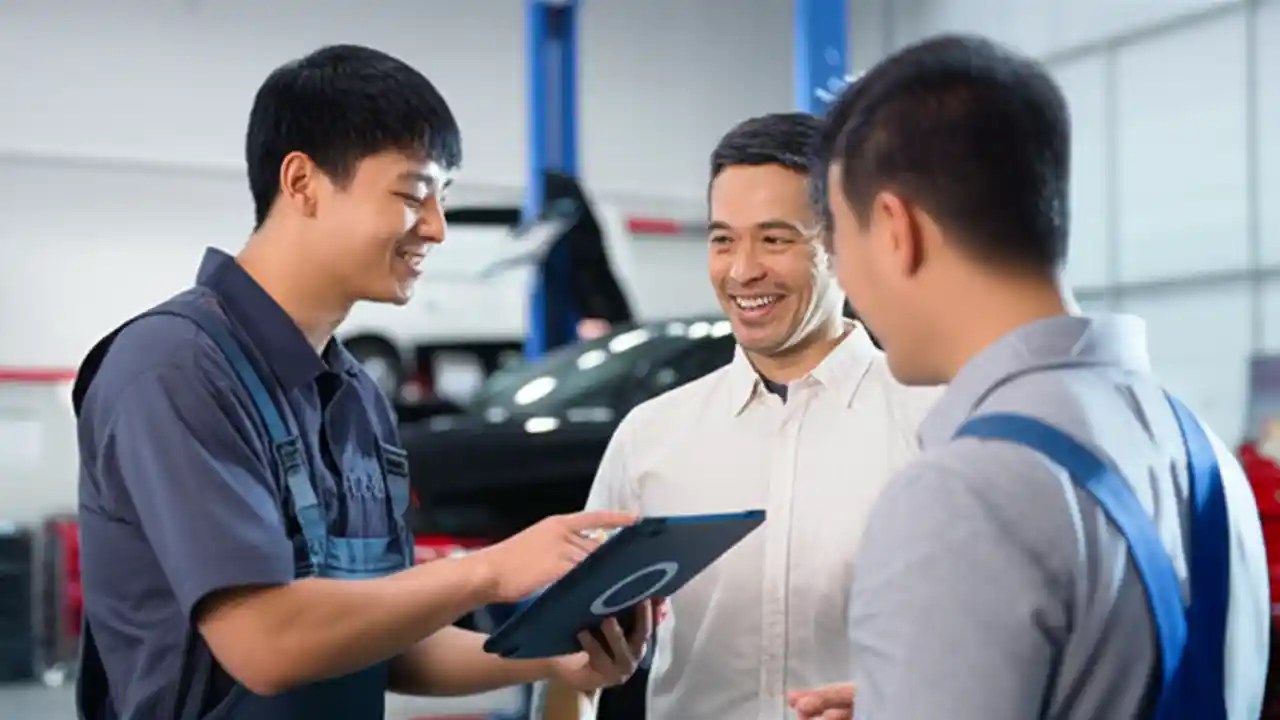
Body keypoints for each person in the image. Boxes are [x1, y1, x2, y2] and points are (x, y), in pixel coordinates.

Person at [71, 44, 652, 720]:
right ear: (303, 183)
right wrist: (489, 571)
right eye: (412, 195)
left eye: (442, 199)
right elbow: (266, 643)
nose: (436, 228)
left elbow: (387, 642)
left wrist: (549, 655)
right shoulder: (175, 369)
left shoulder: (356, 400)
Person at [805, 34, 1270, 719]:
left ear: (896, 228)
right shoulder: (1197, 447)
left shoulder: (962, 495)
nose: (844, 280)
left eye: (838, 243)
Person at [581, 112, 940, 719]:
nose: (742, 270)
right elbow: (576, 656)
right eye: (723, 240)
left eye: (775, 239)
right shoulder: (651, 436)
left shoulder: (934, 420)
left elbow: (1009, 647)